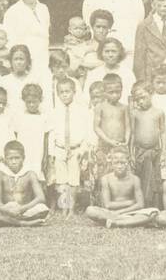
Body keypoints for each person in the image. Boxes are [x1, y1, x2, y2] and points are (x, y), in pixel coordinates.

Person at [47, 75, 90, 216]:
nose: (65, 95)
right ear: (58, 94)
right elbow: (52, 134)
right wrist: (51, 154)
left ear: (74, 92)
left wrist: (82, 150)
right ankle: (64, 207)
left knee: (73, 181)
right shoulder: (54, 112)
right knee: (61, 181)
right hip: (59, 149)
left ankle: (71, 208)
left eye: (68, 91)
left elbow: (85, 132)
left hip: (75, 149)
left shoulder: (81, 111)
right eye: (62, 92)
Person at [2, 0, 52, 86]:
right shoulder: (13, 12)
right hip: (25, 63)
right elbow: (10, 42)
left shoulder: (43, 9)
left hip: (44, 61)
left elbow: (45, 37)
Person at [85, 149, 157, 227]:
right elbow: (107, 205)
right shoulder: (106, 179)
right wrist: (130, 202)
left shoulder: (135, 179)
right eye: (116, 163)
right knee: (90, 210)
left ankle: (116, 223)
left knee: (153, 213)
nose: (119, 166)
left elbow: (140, 204)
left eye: (122, 163)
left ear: (127, 163)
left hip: (130, 212)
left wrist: (120, 212)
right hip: (111, 212)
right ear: (112, 164)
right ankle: (126, 222)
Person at [0, 141, 50, 226]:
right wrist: (6, 210)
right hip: (6, 210)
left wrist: (22, 209)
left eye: (17, 158)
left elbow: (41, 198)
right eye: (10, 158)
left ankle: (6, 222)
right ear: (5, 159)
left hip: (24, 210)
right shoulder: (0, 174)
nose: (14, 162)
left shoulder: (30, 174)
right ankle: (24, 222)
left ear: (23, 158)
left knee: (42, 208)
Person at [128, 81, 166, 207]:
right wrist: (131, 154)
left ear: (151, 93)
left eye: (143, 98)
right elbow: (133, 134)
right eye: (137, 100)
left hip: (154, 152)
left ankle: (154, 207)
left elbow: (163, 133)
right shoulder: (135, 113)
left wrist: (164, 151)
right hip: (140, 152)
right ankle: (141, 206)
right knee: (140, 179)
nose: (140, 102)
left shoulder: (158, 113)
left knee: (154, 179)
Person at [13, 82, 48, 180]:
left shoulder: (43, 118)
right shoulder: (19, 117)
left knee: (37, 177)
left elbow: (46, 138)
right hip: (24, 153)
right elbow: (14, 137)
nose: (32, 105)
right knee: (23, 177)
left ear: (40, 100)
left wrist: (45, 156)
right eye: (29, 102)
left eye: (35, 102)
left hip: (37, 153)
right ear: (24, 101)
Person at [86, 37, 135, 103]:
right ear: (101, 53)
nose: (110, 55)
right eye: (107, 51)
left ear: (119, 53)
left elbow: (131, 98)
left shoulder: (127, 74)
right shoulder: (93, 74)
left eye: (114, 51)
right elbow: (86, 99)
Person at [93, 73, 128, 157]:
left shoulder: (124, 108)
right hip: (104, 145)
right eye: (111, 92)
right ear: (104, 92)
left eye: (117, 92)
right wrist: (108, 140)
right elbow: (96, 127)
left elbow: (128, 127)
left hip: (120, 145)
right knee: (104, 168)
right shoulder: (100, 107)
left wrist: (127, 140)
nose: (115, 95)